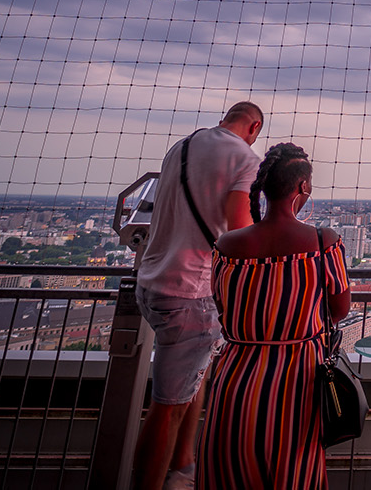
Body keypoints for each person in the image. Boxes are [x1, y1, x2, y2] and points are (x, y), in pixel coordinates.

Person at [198, 142, 350, 489]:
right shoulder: (323, 242)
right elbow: (339, 311)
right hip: (297, 382)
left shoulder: (227, 246)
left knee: (229, 473)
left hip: (235, 379)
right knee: (292, 475)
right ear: (302, 188)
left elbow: (224, 310)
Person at [133, 102, 263, 490]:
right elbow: (239, 231)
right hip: (191, 290)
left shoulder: (182, 146)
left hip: (151, 282)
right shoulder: (245, 159)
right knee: (166, 410)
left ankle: (183, 468)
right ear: (254, 127)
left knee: (193, 378)